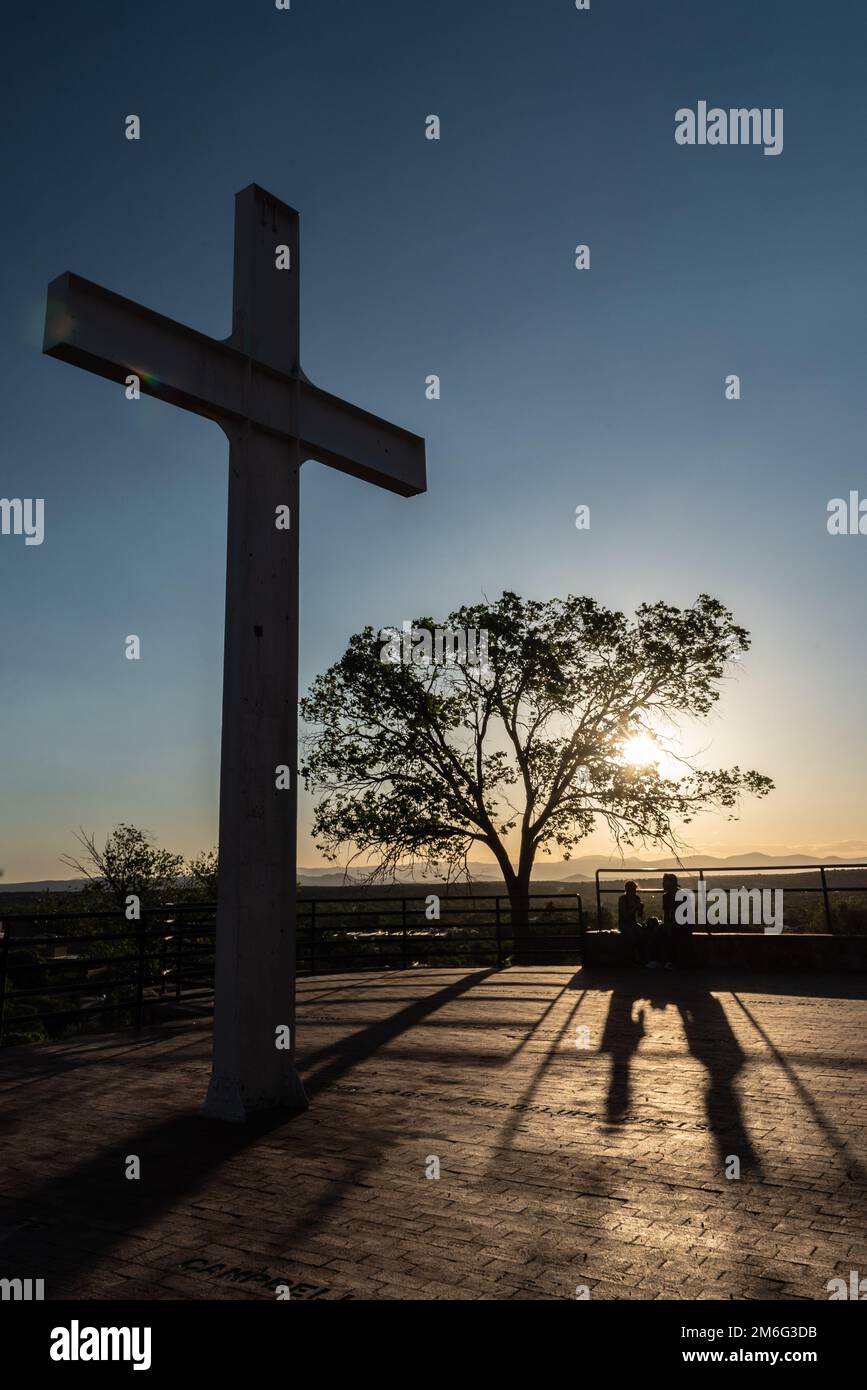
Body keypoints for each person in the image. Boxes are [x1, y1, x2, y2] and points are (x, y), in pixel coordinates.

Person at [617, 881, 644, 964]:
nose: (634, 892)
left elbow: (639, 916)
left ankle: (641, 957)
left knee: (643, 932)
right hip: (624, 924)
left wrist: (640, 909)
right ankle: (634, 958)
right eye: (632, 890)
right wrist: (635, 907)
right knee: (631, 935)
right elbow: (625, 915)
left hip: (633, 923)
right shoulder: (622, 899)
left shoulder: (637, 898)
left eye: (634, 890)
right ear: (627, 890)